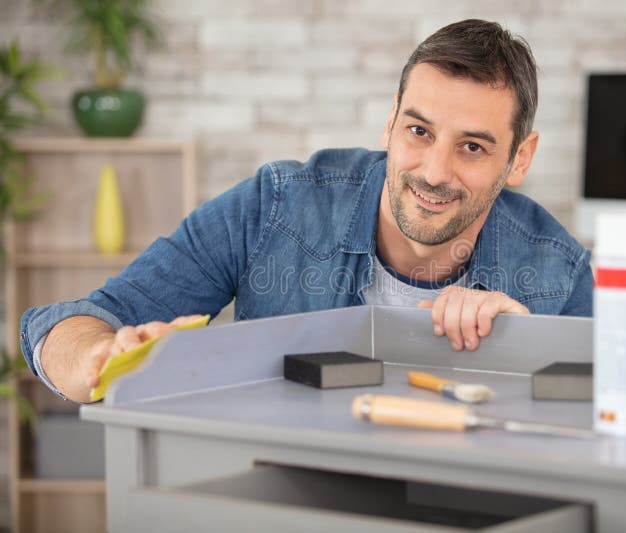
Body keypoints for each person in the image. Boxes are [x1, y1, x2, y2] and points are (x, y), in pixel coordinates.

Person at [20, 19, 593, 403]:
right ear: (390, 121)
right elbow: (66, 323)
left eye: (472, 146)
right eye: (418, 130)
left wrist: (532, 348)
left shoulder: (559, 273)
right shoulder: (276, 205)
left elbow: (611, 437)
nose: (435, 171)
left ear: (520, 158)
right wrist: (95, 355)